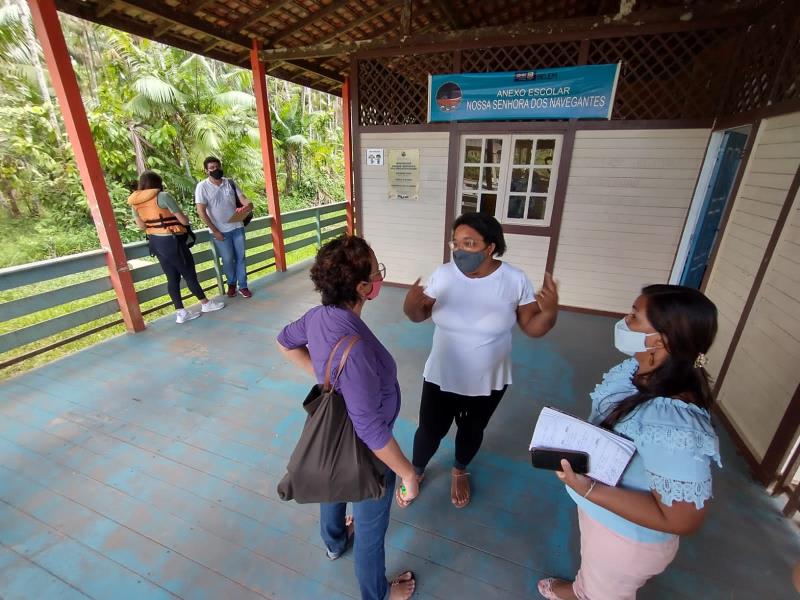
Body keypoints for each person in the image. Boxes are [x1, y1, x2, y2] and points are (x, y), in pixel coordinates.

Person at [538, 284, 721, 600]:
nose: (625, 321)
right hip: (605, 519)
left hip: (625, 540)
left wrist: (590, 489)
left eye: (634, 316)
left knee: (607, 591)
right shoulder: (640, 369)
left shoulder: (674, 424)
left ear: (659, 340)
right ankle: (582, 590)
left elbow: (683, 517)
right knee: (596, 573)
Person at [276, 235, 418, 600]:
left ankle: (335, 542)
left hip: (333, 436)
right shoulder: (355, 348)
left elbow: (283, 341)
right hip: (368, 450)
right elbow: (371, 432)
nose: (378, 277)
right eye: (376, 271)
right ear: (362, 287)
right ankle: (378, 594)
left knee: (332, 483)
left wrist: (323, 376)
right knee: (371, 532)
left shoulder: (318, 317)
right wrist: (406, 473)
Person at [402, 212, 559, 509]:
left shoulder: (514, 279)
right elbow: (419, 314)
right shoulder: (445, 273)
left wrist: (549, 314)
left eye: (469, 243)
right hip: (442, 373)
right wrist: (410, 305)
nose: (459, 250)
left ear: (490, 248)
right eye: (456, 243)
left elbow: (532, 327)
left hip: (489, 376)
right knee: (429, 429)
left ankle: (459, 470)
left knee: (472, 430)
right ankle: (417, 470)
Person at [128, 170, 224, 323]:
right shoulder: (163, 196)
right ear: (158, 183)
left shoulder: (135, 202)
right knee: (189, 273)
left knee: (172, 277)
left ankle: (181, 313)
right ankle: (205, 304)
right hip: (172, 241)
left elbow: (140, 226)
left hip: (155, 242)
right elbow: (184, 221)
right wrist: (184, 219)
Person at [195, 156, 253, 298]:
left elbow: (244, 200)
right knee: (227, 259)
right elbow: (201, 211)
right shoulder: (202, 187)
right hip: (220, 232)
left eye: (217, 167)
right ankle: (231, 284)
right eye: (212, 168)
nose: (216, 170)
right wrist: (215, 231)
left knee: (241, 258)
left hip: (237, 227)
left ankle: (243, 286)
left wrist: (247, 207)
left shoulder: (230, 183)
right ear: (206, 171)